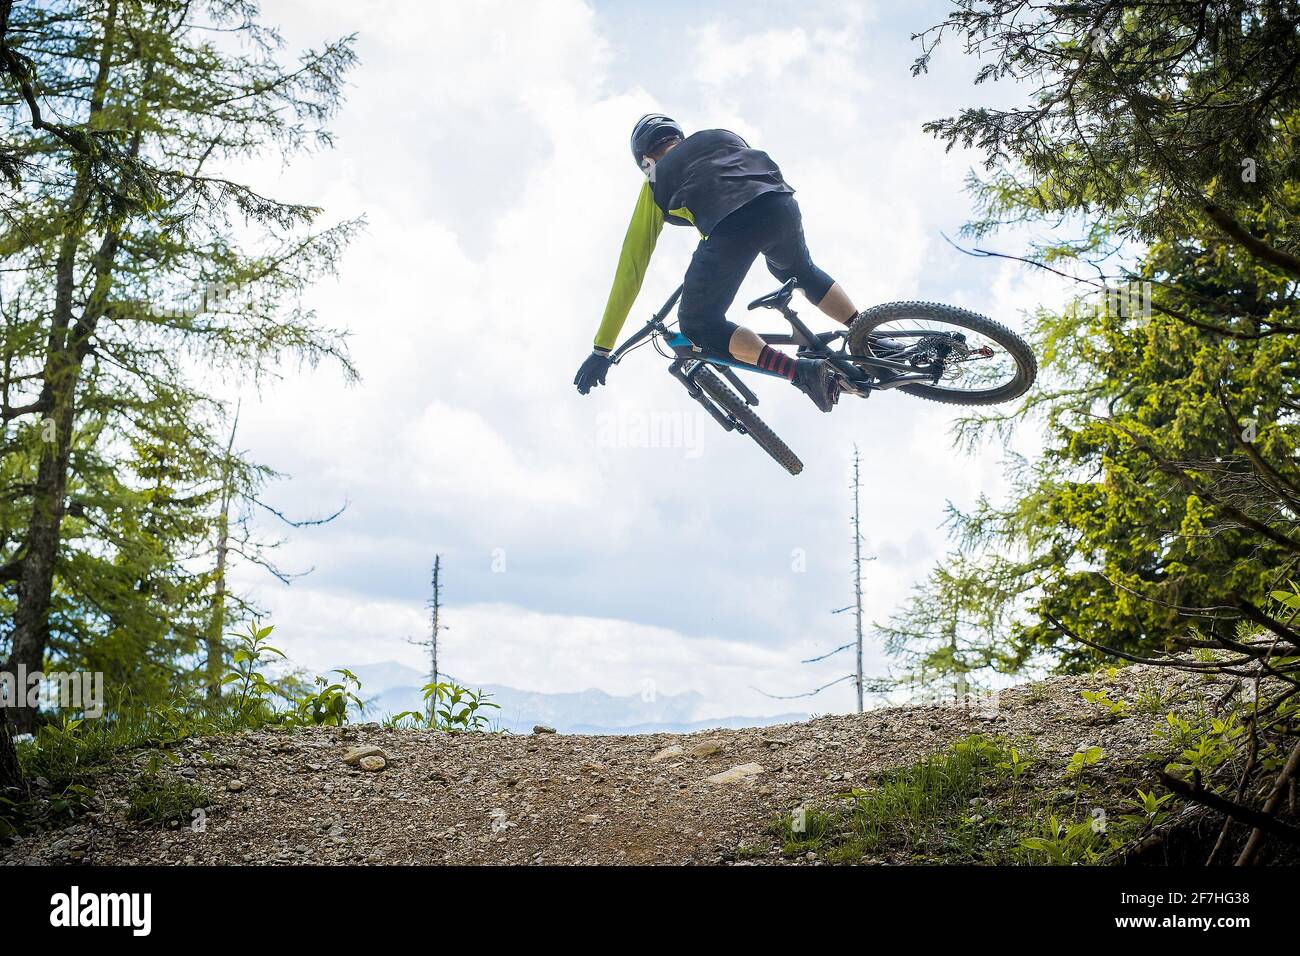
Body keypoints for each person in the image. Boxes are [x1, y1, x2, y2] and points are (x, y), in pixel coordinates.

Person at [574, 114, 860, 411]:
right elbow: (738, 185)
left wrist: (602, 349)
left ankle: (800, 373)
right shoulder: (721, 136)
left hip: (732, 228)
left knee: (698, 324)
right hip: (780, 204)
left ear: (646, 161)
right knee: (800, 271)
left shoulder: (654, 180)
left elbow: (631, 266)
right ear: (677, 137)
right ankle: (867, 335)